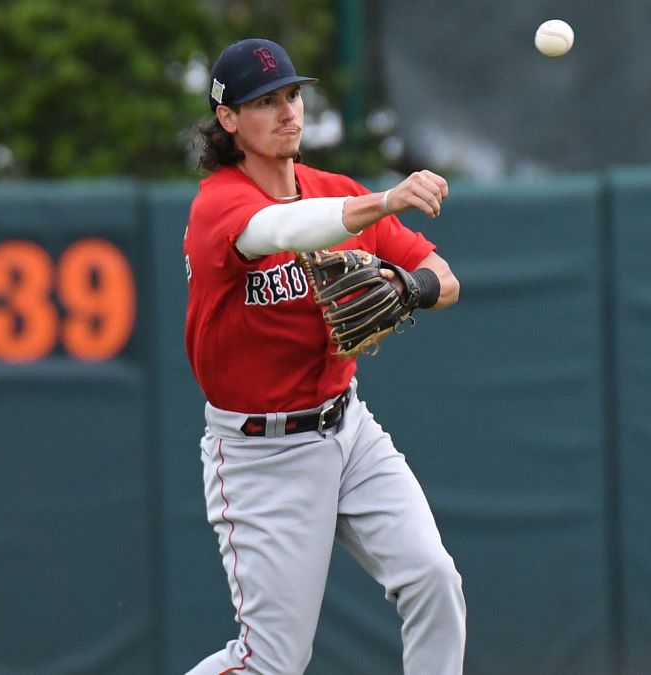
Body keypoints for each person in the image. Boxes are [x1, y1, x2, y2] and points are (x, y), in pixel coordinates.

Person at [182, 38, 466, 675]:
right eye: (264, 102)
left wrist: (410, 287)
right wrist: (385, 201)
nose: (287, 112)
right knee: (270, 663)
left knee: (432, 579)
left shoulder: (335, 188)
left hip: (348, 428)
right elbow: (282, 229)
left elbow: (444, 275)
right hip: (262, 454)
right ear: (228, 120)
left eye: (291, 95)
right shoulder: (219, 205)